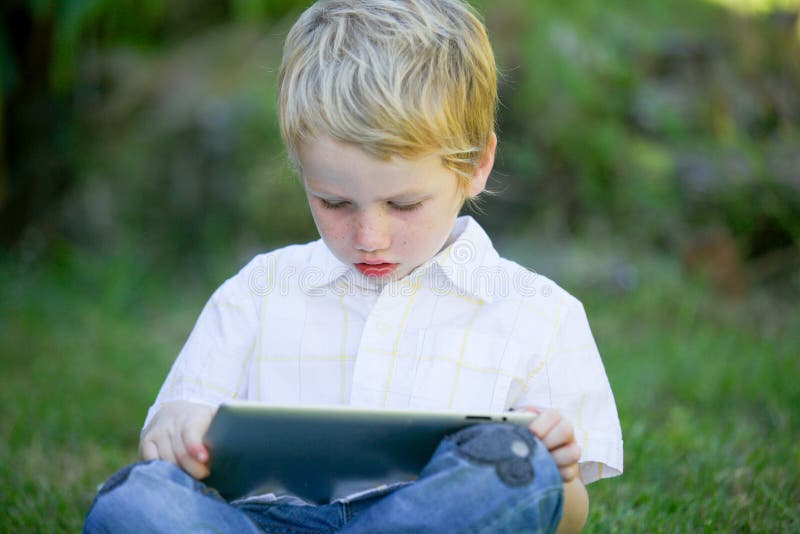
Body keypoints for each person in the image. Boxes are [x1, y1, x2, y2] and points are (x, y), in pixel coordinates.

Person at [83, 0, 622, 532]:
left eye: (404, 204)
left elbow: (559, 512)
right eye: (334, 203)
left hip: (436, 522)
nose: (369, 237)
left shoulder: (540, 314)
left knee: (519, 464)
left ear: (477, 164)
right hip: (264, 522)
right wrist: (179, 428)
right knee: (133, 501)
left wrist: (554, 469)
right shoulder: (258, 291)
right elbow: (168, 444)